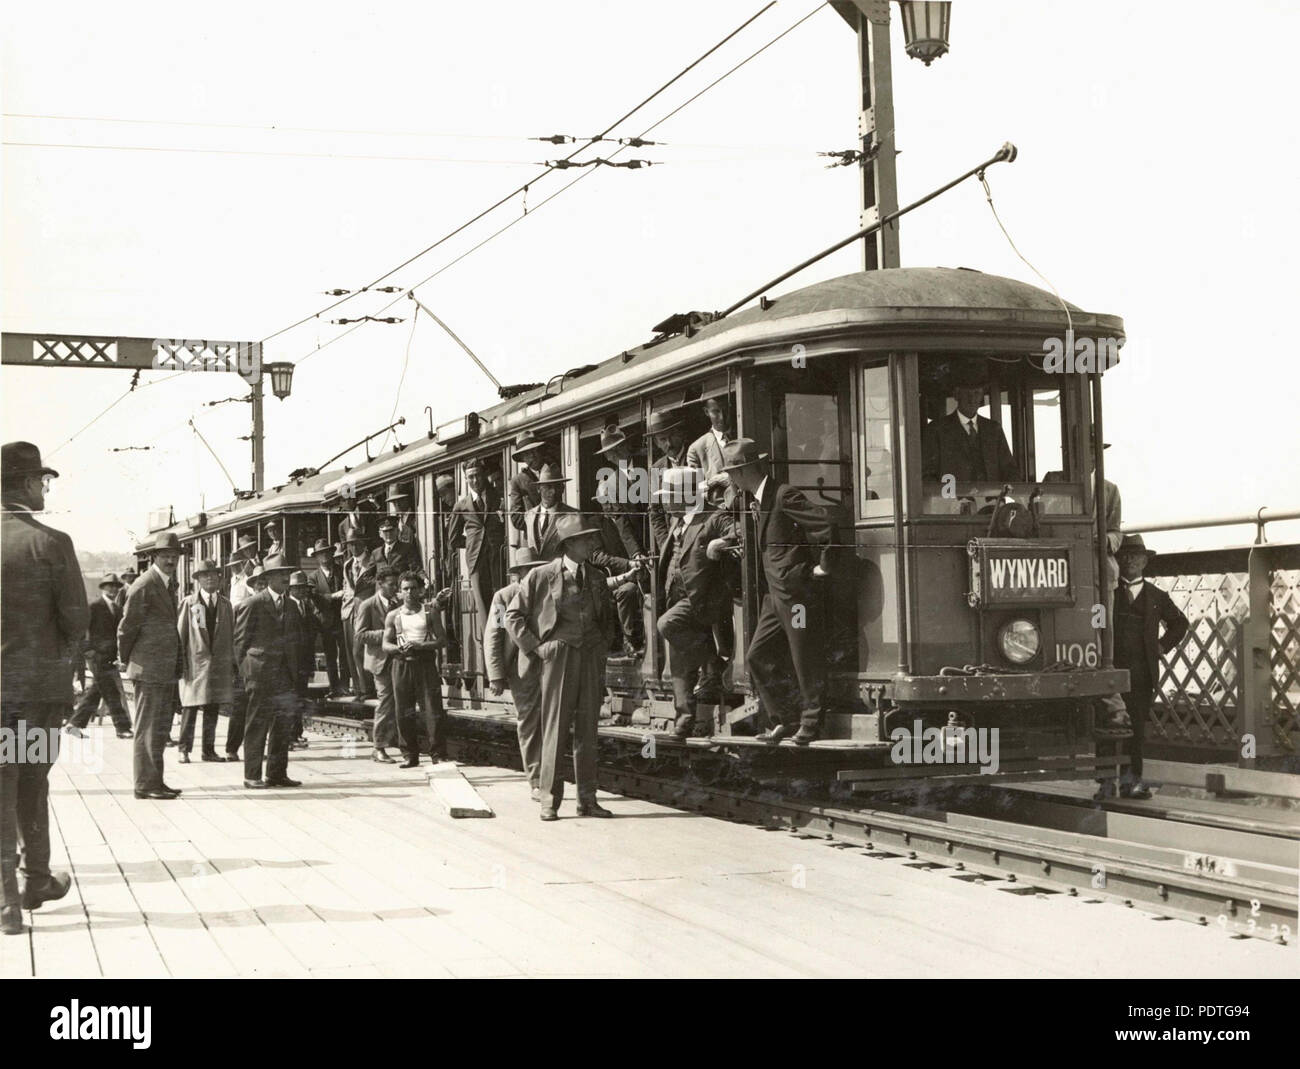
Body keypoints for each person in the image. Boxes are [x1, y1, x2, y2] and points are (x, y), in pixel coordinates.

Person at [1, 442, 88, 935]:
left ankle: (9, 906)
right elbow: (76, 620)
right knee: (31, 783)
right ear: (28, 484)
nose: (44, 490)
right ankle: (34, 880)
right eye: (42, 481)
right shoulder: (52, 543)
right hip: (35, 695)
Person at [720, 438, 833, 746]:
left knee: (804, 659)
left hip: (795, 594)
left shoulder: (784, 495)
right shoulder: (759, 497)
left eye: (732, 473)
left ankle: (810, 724)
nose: (730, 479)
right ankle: (784, 718)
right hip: (775, 596)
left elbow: (824, 523)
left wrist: (821, 567)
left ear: (743, 472)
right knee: (757, 656)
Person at [505, 514, 616, 821]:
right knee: (554, 728)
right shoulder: (541, 576)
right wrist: (536, 647)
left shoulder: (595, 576)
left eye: (592, 538)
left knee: (588, 730)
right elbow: (512, 616)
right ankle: (549, 801)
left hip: (589, 657)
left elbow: (605, 620)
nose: (591, 543)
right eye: (585, 539)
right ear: (569, 545)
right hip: (558, 657)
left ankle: (587, 800)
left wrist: (600, 649)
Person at [653, 468, 739, 738]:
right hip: (677, 598)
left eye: (669, 496)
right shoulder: (678, 522)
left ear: (686, 495)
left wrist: (720, 543)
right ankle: (685, 718)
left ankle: (713, 664)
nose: (665, 502)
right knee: (679, 660)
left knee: (667, 625)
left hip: (704, 600)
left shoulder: (712, 517)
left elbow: (738, 530)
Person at [1109, 534, 1189, 800]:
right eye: (1125, 556)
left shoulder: (1157, 596)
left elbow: (1180, 624)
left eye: (1136, 557)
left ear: (1145, 562)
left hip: (1143, 673)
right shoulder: (1107, 594)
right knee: (1107, 727)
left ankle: (1131, 782)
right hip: (1111, 672)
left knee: (1137, 730)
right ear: (1118, 560)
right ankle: (1106, 782)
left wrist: (1163, 646)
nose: (1131, 560)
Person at [118, 532, 185, 799]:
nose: (170, 560)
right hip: (149, 668)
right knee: (147, 728)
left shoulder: (167, 583)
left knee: (159, 728)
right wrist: (128, 661)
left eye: (174, 555)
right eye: (165, 555)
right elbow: (126, 629)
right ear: (154, 557)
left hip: (164, 668)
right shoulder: (145, 585)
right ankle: (145, 785)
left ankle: (155, 780)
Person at [233, 554, 304, 788]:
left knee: (283, 725)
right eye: (281, 574)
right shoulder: (253, 604)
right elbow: (239, 643)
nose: (286, 577)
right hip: (259, 674)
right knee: (257, 724)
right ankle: (251, 775)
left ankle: (276, 774)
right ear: (269, 578)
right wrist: (247, 673)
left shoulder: (292, 605)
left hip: (284, 675)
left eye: (287, 573)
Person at [484, 547, 545, 799]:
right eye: (527, 570)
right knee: (530, 722)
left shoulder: (549, 591)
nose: (532, 574)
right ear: (518, 573)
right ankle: (537, 782)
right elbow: (494, 635)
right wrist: (496, 674)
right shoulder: (503, 596)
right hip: (522, 669)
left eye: (535, 569)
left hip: (551, 664)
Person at [383, 571, 448, 768]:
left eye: (413, 588)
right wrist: (397, 648)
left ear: (420, 591)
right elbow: (386, 644)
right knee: (403, 711)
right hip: (402, 664)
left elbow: (442, 640)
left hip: (425, 664)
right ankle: (410, 755)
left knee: (432, 710)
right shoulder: (393, 616)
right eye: (405, 589)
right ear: (400, 592)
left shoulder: (430, 612)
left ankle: (438, 754)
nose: (409, 593)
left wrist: (421, 646)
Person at [176, 559, 236, 763]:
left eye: (214, 574)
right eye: (204, 575)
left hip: (218, 665)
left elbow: (232, 636)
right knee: (190, 707)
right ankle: (183, 749)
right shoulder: (189, 603)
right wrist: (180, 664)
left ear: (220, 578)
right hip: (195, 665)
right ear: (198, 580)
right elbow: (180, 636)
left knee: (212, 707)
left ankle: (208, 751)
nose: (210, 578)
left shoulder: (226, 605)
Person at [920, 366, 1017, 484]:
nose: (972, 399)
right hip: (951, 501)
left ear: (981, 396)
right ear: (956, 395)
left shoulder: (993, 429)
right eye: (967, 393)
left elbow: (1009, 471)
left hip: (991, 502)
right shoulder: (937, 430)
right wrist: (947, 500)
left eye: (976, 393)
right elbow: (927, 476)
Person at [66, 573, 133, 738]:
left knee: (96, 692)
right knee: (111, 691)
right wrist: (88, 650)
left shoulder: (118, 609)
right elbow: (81, 630)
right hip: (96, 656)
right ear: (103, 588)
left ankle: (74, 724)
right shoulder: (94, 607)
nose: (113, 589)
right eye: (109, 586)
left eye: (116, 587)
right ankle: (122, 728)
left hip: (110, 657)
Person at [447, 458, 504, 649]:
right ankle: (489, 648)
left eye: (478, 475)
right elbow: (453, 539)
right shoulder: (461, 505)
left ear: (483, 475)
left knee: (500, 600)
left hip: (497, 557)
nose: (475, 480)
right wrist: (473, 543)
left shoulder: (498, 497)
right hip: (476, 561)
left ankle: (501, 639)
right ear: (465, 479)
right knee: (483, 606)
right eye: (470, 477)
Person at [357, 565, 402, 762]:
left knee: (402, 702)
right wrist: (387, 634)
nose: (395, 588)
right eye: (391, 585)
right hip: (380, 662)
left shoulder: (400, 603)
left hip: (400, 659)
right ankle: (379, 747)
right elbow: (360, 635)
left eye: (396, 584)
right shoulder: (367, 605)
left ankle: (399, 743)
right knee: (385, 702)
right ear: (380, 584)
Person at [308, 539, 350, 696]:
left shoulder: (341, 570)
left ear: (332, 554)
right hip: (325, 622)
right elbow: (314, 596)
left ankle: (345, 686)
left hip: (343, 619)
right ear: (317, 558)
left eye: (327, 553)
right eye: (320, 554)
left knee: (345, 654)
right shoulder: (312, 577)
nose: (324, 557)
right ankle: (334, 688)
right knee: (330, 656)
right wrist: (333, 596)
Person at [647, 408, 689, 549]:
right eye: (663, 439)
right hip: (674, 543)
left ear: (680, 433)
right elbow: (655, 513)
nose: (669, 443)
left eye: (671, 436)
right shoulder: (655, 470)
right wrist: (666, 545)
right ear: (656, 442)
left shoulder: (696, 456)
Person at [342, 534, 377, 700]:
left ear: (364, 544)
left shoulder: (372, 562)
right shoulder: (348, 564)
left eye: (357, 543)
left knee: (360, 650)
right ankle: (359, 689)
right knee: (351, 652)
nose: (353, 548)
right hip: (349, 611)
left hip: (366, 610)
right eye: (350, 544)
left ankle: (367, 689)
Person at [287, 570, 317, 748]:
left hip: (304, 660)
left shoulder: (306, 605)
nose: (302, 591)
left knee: (300, 697)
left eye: (304, 588)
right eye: (298, 588)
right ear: (291, 589)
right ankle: (289, 735)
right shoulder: (287, 605)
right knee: (292, 698)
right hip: (292, 661)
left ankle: (297, 733)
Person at [522, 462, 573, 559]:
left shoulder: (572, 515)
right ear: (538, 489)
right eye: (548, 487)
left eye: (557, 487)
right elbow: (526, 549)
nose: (553, 492)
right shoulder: (529, 515)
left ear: (562, 489)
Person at [507, 431, 547, 533]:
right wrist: (539, 523)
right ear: (522, 458)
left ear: (540, 451)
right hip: (533, 538)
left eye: (534, 451)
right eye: (527, 454)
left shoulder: (555, 470)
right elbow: (516, 518)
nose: (532, 456)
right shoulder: (518, 481)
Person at [686, 396, 732, 478]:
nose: (722, 417)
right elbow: (693, 487)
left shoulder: (743, 432)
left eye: (725, 410)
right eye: (716, 412)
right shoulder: (696, 449)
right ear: (706, 412)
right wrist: (716, 481)